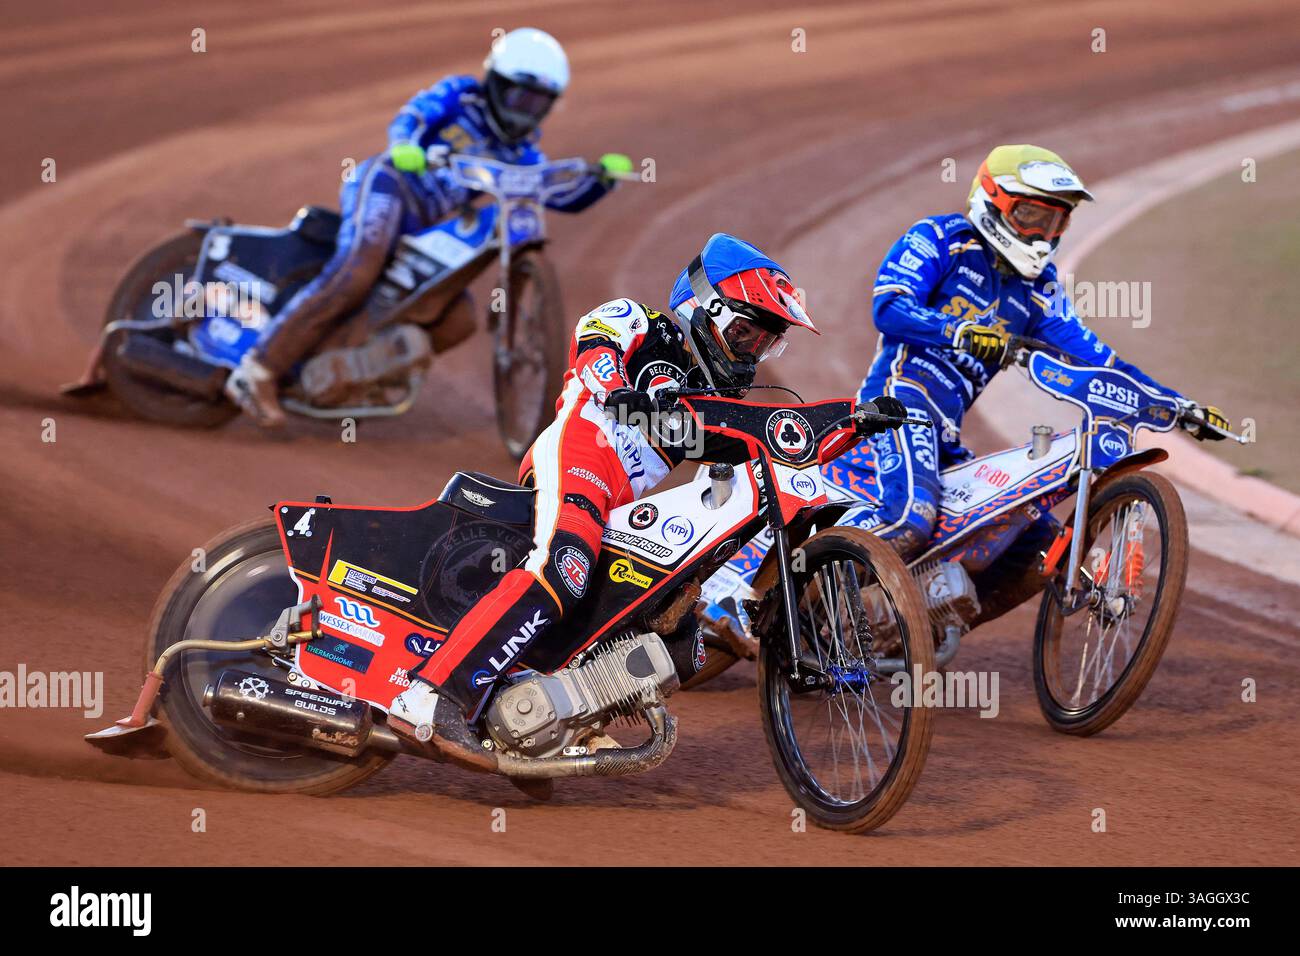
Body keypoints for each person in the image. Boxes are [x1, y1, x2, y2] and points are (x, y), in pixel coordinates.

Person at [701, 144, 1229, 639]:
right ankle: (762, 600)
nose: (1043, 233)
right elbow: (889, 306)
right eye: (1031, 216)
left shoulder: (1039, 290)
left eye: (1055, 219)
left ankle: (905, 633)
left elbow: (1100, 360)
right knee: (912, 518)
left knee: (1033, 545)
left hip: (947, 433)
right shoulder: (940, 239)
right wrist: (958, 331)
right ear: (992, 200)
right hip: (897, 407)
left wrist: (1177, 405)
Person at [386, 233, 818, 765]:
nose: (752, 352)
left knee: (679, 638)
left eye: (764, 343)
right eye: (745, 333)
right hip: (577, 456)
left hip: (614, 505)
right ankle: (431, 695)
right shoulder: (642, 320)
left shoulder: (711, 399)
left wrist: (847, 423)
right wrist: (617, 388)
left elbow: (756, 451)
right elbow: (593, 341)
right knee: (563, 566)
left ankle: (554, 716)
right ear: (705, 308)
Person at [225, 27, 623, 426]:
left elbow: (555, 196)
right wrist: (405, 145)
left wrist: (600, 181)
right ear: (496, 83)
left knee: (459, 319)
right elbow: (413, 115)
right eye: (519, 95)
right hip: (388, 185)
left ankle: (350, 374)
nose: (525, 111)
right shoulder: (461, 95)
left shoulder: (521, 154)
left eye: (538, 103)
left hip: (424, 229)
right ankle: (258, 369)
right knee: (358, 269)